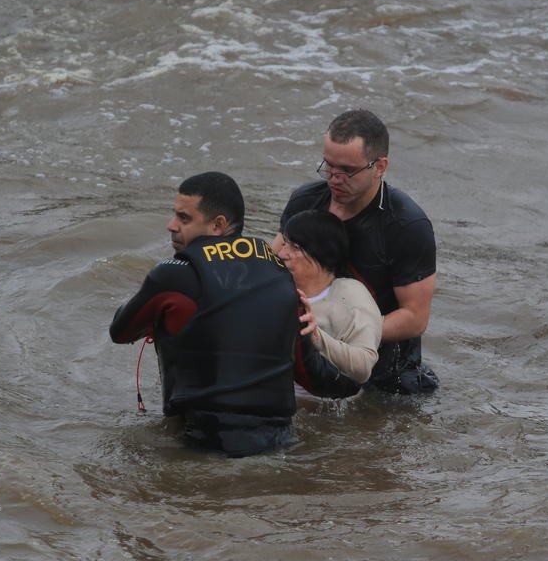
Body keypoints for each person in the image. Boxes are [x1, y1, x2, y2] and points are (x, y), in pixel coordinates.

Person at [109, 171, 299, 457]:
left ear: (218, 224)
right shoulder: (281, 274)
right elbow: (315, 375)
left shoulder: (174, 275)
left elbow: (120, 331)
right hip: (279, 443)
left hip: (203, 444)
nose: (170, 225)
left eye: (184, 218)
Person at [274, 109, 439, 394]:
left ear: (379, 166)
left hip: (387, 375)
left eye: (348, 171)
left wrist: (335, 332)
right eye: (329, 166)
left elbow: (415, 318)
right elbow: (273, 266)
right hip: (312, 356)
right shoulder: (305, 201)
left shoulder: (407, 225)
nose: (335, 179)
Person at [279, 209, 382, 393]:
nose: (282, 253)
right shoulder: (275, 286)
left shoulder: (351, 296)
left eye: (295, 247)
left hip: (324, 410)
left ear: (322, 254)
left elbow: (364, 367)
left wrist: (316, 337)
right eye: (285, 243)